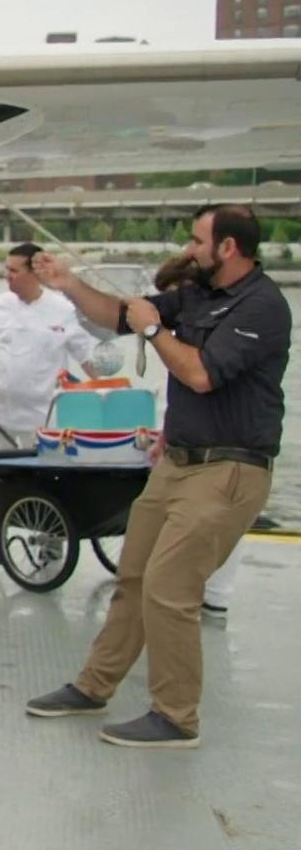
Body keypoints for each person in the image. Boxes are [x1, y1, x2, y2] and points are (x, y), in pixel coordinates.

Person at [24, 205, 288, 748]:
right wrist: (69, 284)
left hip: (229, 469)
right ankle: (94, 686)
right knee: (136, 577)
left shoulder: (262, 307)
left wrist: (153, 327)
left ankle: (176, 716)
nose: (190, 250)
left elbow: (200, 373)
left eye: (198, 241)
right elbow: (119, 314)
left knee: (171, 589)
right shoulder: (197, 296)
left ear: (229, 248)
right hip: (179, 463)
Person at [0, 242, 97, 551]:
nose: (8, 277)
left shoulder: (64, 309)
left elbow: (85, 354)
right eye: (6, 270)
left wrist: (106, 383)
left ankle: (53, 536)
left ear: (33, 273)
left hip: (42, 415)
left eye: (14, 271)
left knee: (46, 479)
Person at [150, 254, 244, 619]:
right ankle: (206, 594)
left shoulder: (221, 330)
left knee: (220, 519)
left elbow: (201, 382)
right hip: (187, 438)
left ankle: (214, 596)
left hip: (223, 447)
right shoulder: (182, 336)